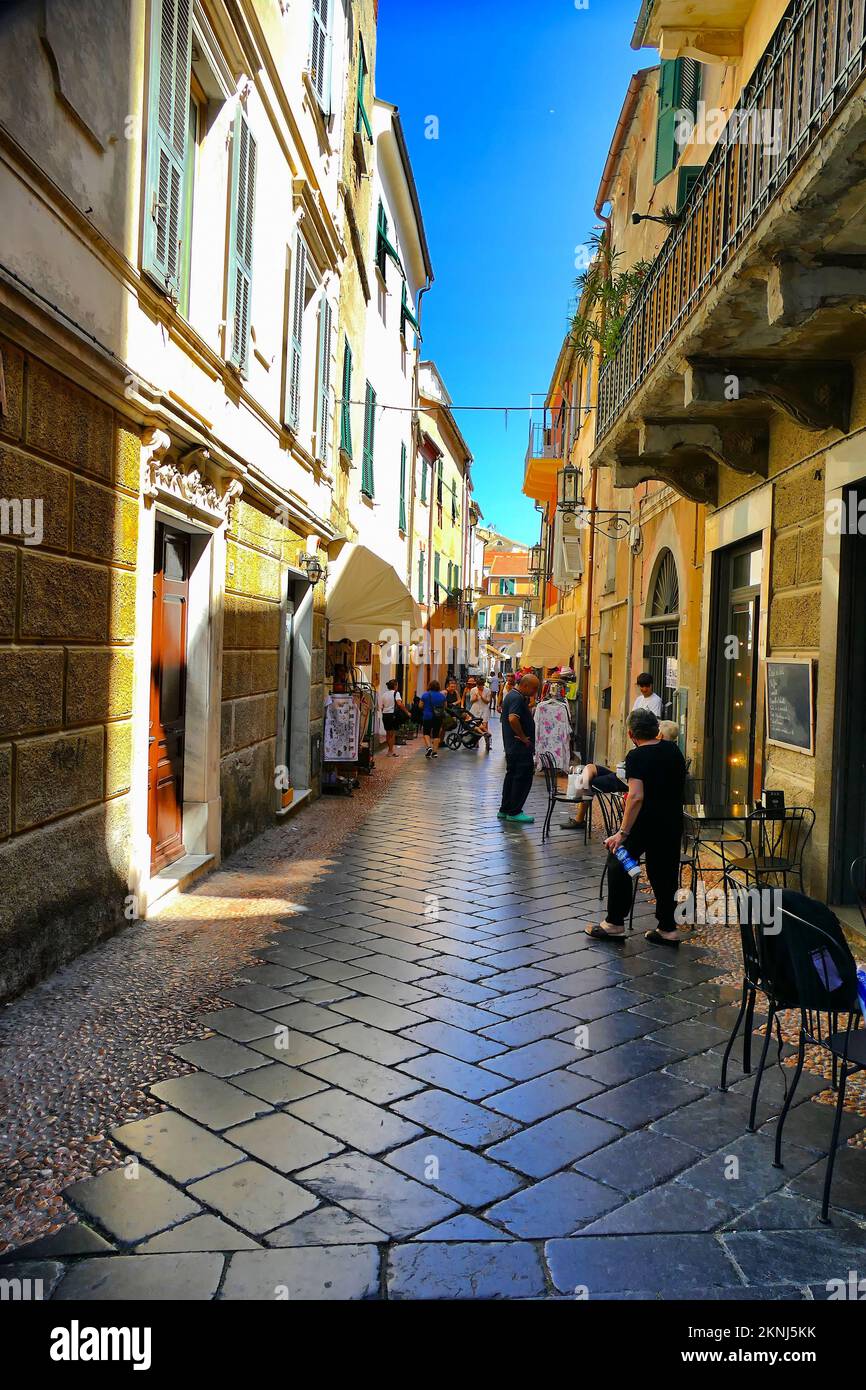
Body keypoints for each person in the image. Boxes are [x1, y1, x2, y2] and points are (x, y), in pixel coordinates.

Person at [586, 707, 686, 946]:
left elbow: (636, 796)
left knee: (619, 860)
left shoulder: (637, 756)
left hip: (644, 824)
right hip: (671, 822)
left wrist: (622, 832)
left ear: (631, 734)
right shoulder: (673, 750)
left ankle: (614, 923)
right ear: (656, 730)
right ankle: (667, 928)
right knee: (664, 873)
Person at [567, 720, 680, 828]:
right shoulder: (661, 749)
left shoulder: (660, 752)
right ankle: (579, 790)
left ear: (660, 735)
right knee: (590, 768)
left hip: (627, 781)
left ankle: (579, 812)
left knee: (591, 781)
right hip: (623, 776)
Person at [498, 673, 540, 824]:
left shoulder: (512, 695)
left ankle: (505, 808)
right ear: (525, 685)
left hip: (512, 747)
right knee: (522, 777)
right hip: (519, 747)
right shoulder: (516, 697)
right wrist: (523, 737)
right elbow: (512, 718)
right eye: (534, 688)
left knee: (511, 776)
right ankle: (515, 811)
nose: (535, 692)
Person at [380, 678, 408, 758]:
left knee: (388, 733)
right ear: (395, 686)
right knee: (392, 733)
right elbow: (399, 703)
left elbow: (381, 707)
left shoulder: (384, 694)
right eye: (397, 685)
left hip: (385, 715)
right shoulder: (396, 693)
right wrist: (407, 712)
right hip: (392, 715)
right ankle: (391, 751)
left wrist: (385, 712)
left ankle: (390, 750)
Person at [420, 680, 446, 759]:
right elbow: (445, 706)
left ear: (429, 686)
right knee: (436, 734)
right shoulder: (442, 696)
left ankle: (429, 747)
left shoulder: (425, 695)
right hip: (438, 716)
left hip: (427, 716)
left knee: (426, 733)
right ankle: (435, 752)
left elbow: (420, 706)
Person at [469, 677, 493, 752]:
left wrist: (482, 697)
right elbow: (471, 701)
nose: (480, 687)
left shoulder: (488, 690)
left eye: (481, 686)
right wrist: (475, 698)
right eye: (478, 685)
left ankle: (487, 743)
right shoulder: (473, 690)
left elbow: (487, 701)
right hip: (475, 709)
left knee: (484, 726)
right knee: (475, 726)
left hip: (484, 710)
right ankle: (476, 743)